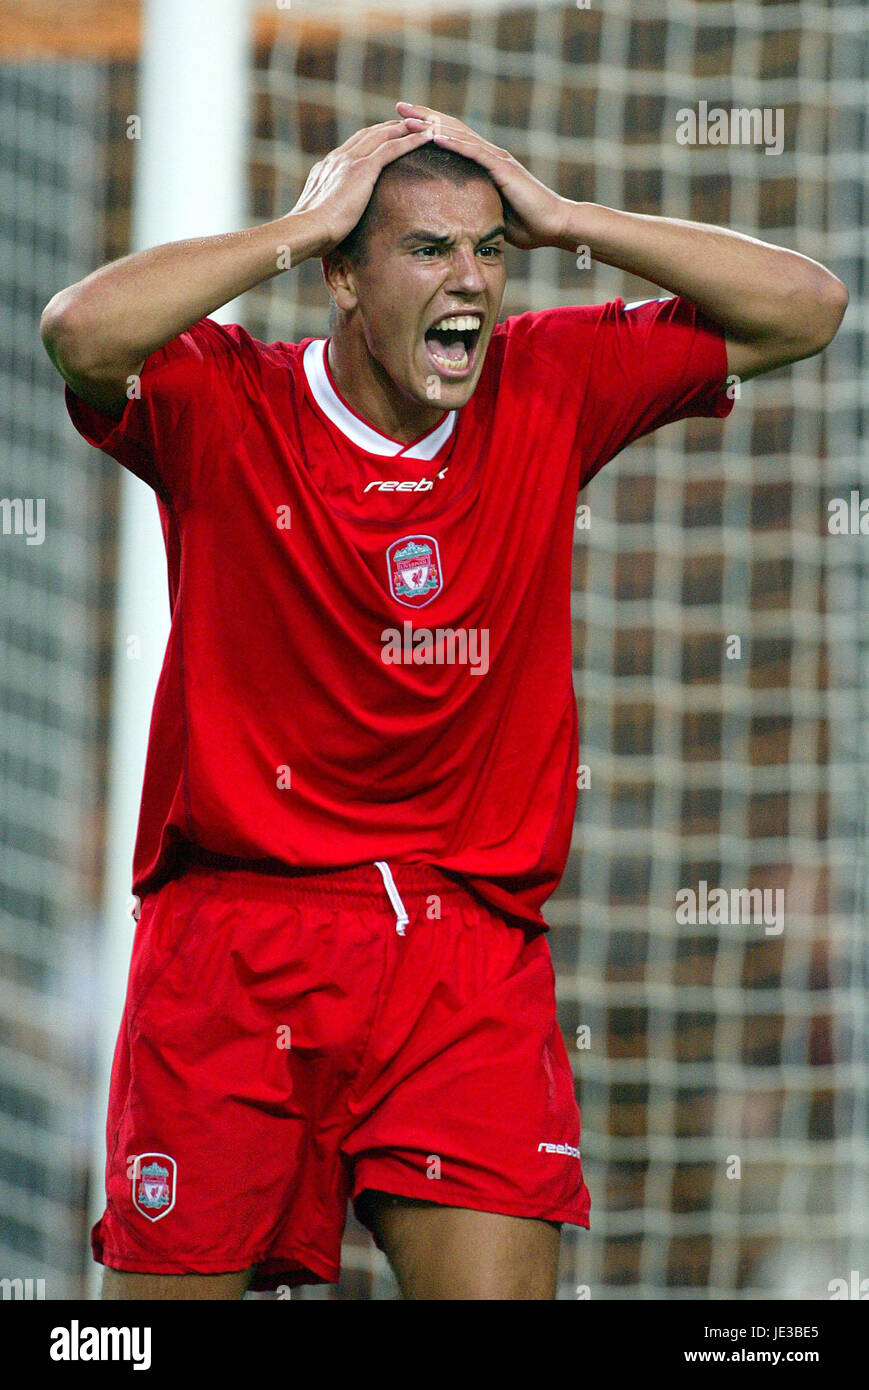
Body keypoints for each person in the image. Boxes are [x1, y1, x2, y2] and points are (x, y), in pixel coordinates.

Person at [41, 102, 847, 1300]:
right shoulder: (226, 403)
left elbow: (805, 308)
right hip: (236, 945)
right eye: (426, 250)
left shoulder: (548, 382)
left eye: (488, 251)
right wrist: (296, 223)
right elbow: (79, 332)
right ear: (343, 281)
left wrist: (569, 219)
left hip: (460, 956)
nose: (469, 280)